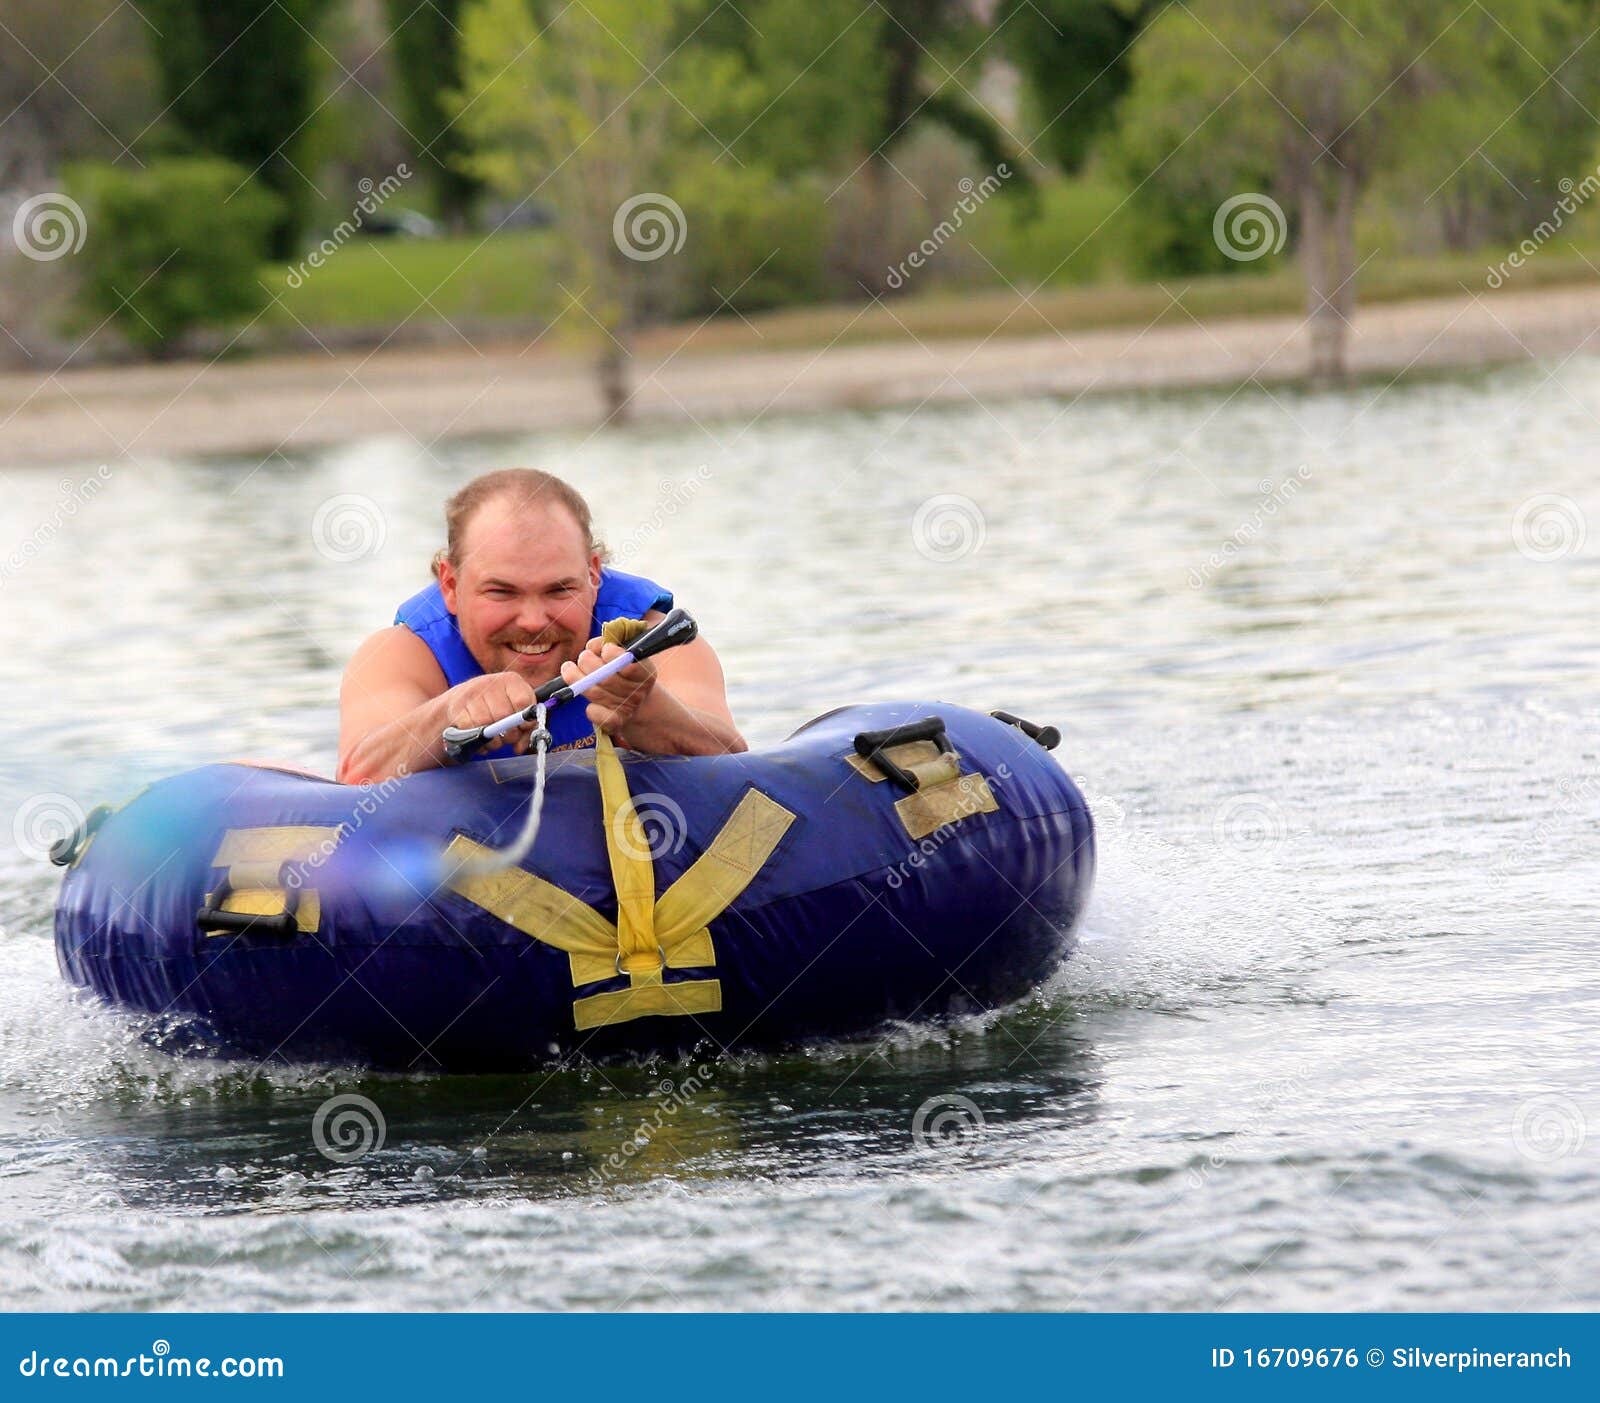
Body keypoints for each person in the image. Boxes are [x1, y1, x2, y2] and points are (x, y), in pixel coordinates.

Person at [337, 468, 744, 784]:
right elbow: (356, 780)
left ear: (593, 575)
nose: (533, 621)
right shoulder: (404, 654)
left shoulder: (655, 641)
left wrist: (646, 709)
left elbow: (739, 768)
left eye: (559, 590)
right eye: (501, 592)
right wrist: (449, 712)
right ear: (450, 584)